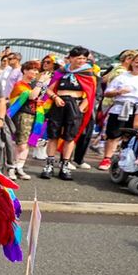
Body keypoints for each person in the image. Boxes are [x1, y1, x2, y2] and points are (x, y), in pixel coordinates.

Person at [37, 47, 98, 180]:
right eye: (78, 58)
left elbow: (91, 94)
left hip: (75, 105)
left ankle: (65, 165)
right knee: (53, 135)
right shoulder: (61, 71)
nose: (81, 61)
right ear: (70, 58)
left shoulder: (88, 73)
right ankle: (49, 164)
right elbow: (49, 89)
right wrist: (55, 98)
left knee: (70, 137)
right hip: (58, 104)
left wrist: (81, 109)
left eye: (83, 58)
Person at [101, 53, 138, 170]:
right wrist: (118, 92)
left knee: (135, 135)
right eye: (137, 62)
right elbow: (106, 92)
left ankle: (129, 159)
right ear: (132, 62)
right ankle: (107, 158)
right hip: (120, 108)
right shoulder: (122, 77)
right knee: (114, 134)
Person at [7, 61, 44, 180]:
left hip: (35, 116)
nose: (35, 72)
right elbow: (32, 96)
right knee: (20, 143)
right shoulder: (20, 85)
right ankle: (11, 167)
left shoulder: (35, 85)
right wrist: (40, 82)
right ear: (25, 70)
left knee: (27, 143)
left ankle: (19, 167)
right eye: (32, 69)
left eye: (37, 70)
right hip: (23, 115)